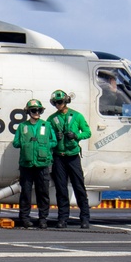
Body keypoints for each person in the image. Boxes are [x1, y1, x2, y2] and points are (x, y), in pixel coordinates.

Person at [47, 89, 92, 229]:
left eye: (60, 102)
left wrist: (76, 136)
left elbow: (87, 132)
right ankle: (62, 218)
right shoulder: (51, 119)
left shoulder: (77, 116)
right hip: (59, 157)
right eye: (55, 103)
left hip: (73, 157)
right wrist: (55, 137)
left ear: (65, 101)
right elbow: (47, 137)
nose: (58, 105)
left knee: (79, 187)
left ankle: (85, 218)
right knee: (61, 189)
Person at [12, 98, 57, 229]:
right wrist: (26, 144)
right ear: (29, 112)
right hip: (26, 165)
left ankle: (43, 219)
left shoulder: (46, 125)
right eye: (34, 110)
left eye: (39, 110)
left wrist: (44, 146)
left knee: (43, 193)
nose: (36, 112)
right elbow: (16, 143)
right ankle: (25, 218)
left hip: (42, 165)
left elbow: (54, 141)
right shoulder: (22, 127)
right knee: (25, 193)